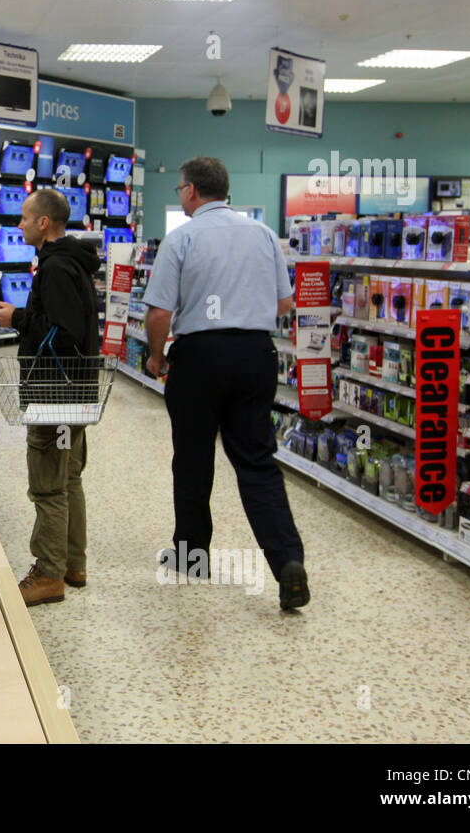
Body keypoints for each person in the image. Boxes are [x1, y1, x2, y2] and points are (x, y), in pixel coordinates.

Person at [142, 156, 310, 611]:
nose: (181, 195)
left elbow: (159, 312)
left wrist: (156, 357)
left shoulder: (182, 237)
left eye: (180, 189)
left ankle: (192, 555)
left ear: (192, 191)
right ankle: (287, 561)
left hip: (199, 358)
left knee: (193, 459)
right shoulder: (263, 235)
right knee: (257, 462)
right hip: (256, 355)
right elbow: (283, 303)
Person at [0, 189, 100, 607]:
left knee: (48, 485)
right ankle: (73, 564)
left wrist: (15, 317)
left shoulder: (55, 269)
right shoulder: (72, 263)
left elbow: (62, 332)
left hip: (56, 394)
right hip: (76, 392)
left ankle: (49, 574)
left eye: (23, 218)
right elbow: (63, 322)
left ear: (43, 223)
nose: (18, 225)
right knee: (69, 477)